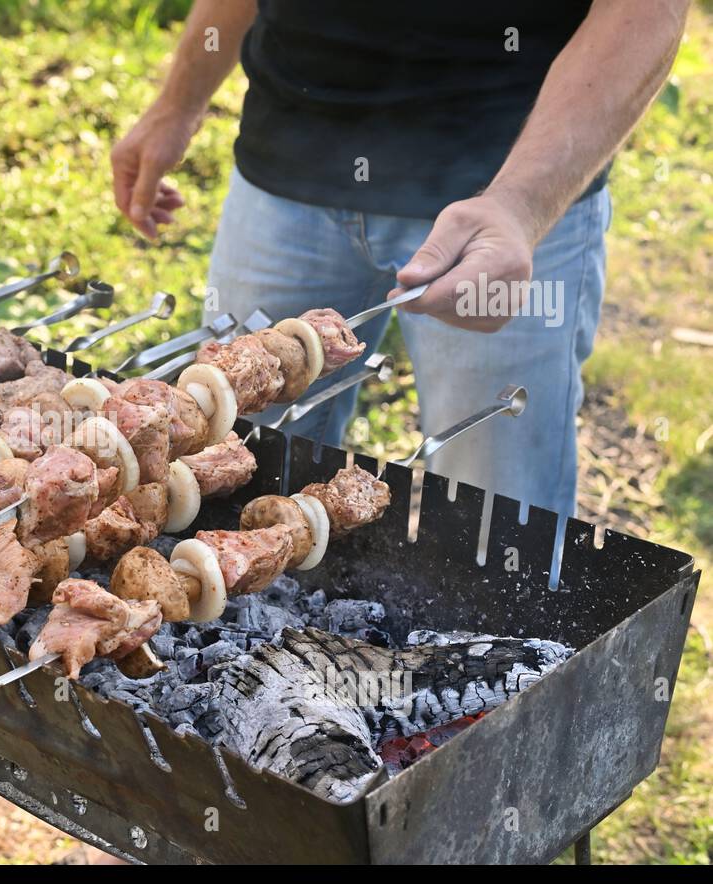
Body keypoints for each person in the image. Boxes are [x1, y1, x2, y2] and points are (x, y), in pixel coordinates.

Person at [111, 0, 688, 517]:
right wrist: (178, 103)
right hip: (285, 165)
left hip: (505, 192)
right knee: (225, 462)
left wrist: (519, 206)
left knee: (496, 515)